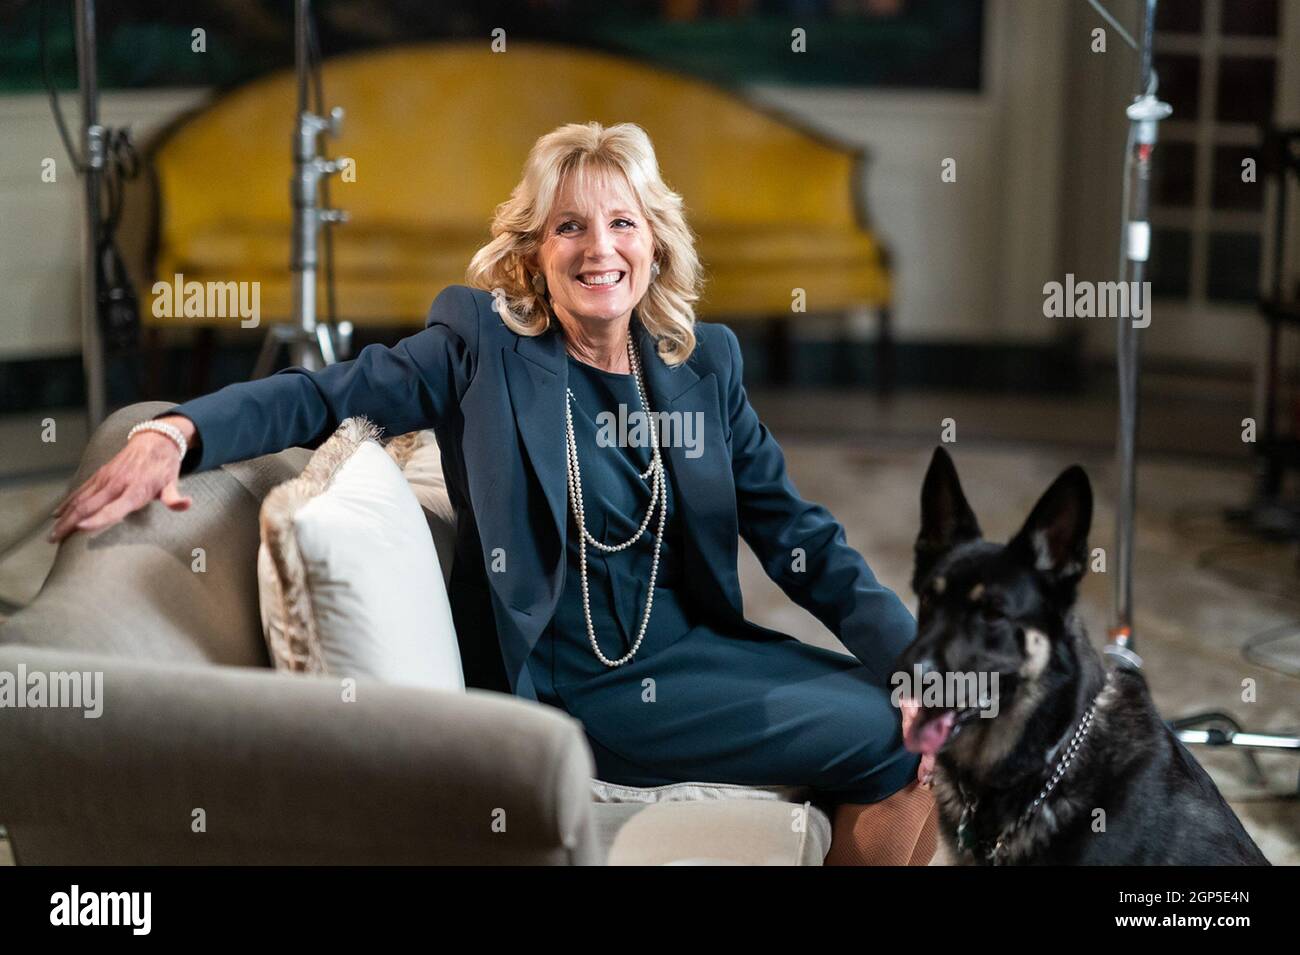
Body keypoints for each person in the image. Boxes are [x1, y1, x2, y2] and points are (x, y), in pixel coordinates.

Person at [50, 121, 937, 865]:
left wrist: (917, 656)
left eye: (622, 222)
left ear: (654, 239)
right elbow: (319, 395)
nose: (600, 250)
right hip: (575, 683)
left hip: (695, 651)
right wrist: (176, 430)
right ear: (531, 251)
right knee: (890, 736)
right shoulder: (479, 349)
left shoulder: (701, 365)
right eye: (569, 228)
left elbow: (801, 538)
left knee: (920, 718)